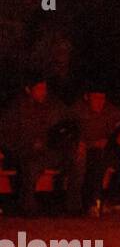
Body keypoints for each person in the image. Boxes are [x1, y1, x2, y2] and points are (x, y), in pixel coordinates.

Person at [0, 74, 82, 216]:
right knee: (31, 165)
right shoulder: (16, 108)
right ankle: (27, 206)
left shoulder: (54, 105)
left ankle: (73, 206)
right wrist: (28, 144)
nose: (43, 92)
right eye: (39, 89)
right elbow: (6, 135)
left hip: (52, 150)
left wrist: (77, 141)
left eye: (44, 89)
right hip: (27, 152)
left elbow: (71, 122)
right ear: (28, 90)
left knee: (75, 160)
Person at [71, 84, 120, 214]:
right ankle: (92, 202)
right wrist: (91, 144)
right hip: (87, 153)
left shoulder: (111, 111)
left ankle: (113, 201)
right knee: (96, 160)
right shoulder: (77, 112)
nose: (100, 102)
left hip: (108, 151)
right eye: (96, 98)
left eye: (102, 98)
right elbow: (75, 138)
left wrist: (110, 141)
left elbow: (118, 132)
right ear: (87, 97)